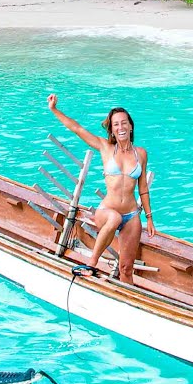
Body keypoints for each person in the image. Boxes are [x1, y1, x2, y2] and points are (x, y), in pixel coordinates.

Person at [48, 94, 155, 283]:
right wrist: (54, 109)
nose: (120, 127)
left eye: (124, 123)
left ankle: (126, 303)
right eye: (116, 124)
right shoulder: (105, 147)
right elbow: (77, 129)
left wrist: (149, 218)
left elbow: (143, 188)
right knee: (114, 218)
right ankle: (91, 264)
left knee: (127, 268)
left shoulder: (141, 154)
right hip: (107, 212)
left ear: (130, 126)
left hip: (131, 215)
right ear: (112, 130)